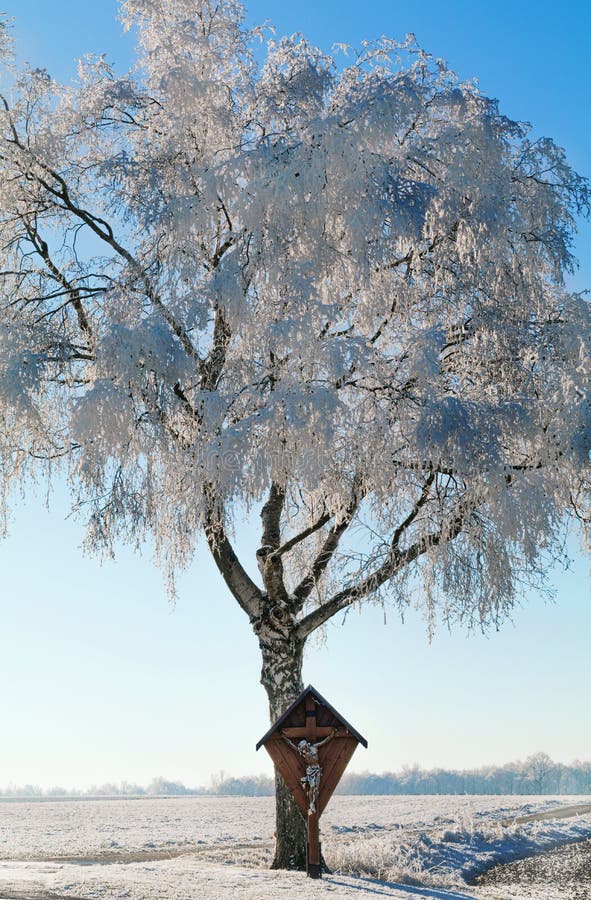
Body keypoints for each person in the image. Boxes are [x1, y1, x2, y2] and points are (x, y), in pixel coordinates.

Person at [281, 728, 336, 815]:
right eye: (302, 748)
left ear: (306, 745)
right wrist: (285, 739)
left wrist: (331, 736)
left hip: (317, 769)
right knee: (312, 787)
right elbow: (292, 745)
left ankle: (313, 800)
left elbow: (324, 742)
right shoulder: (302, 752)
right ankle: (311, 803)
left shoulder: (313, 747)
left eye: (304, 747)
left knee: (316, 788)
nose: (304, 749)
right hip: (310, 770)